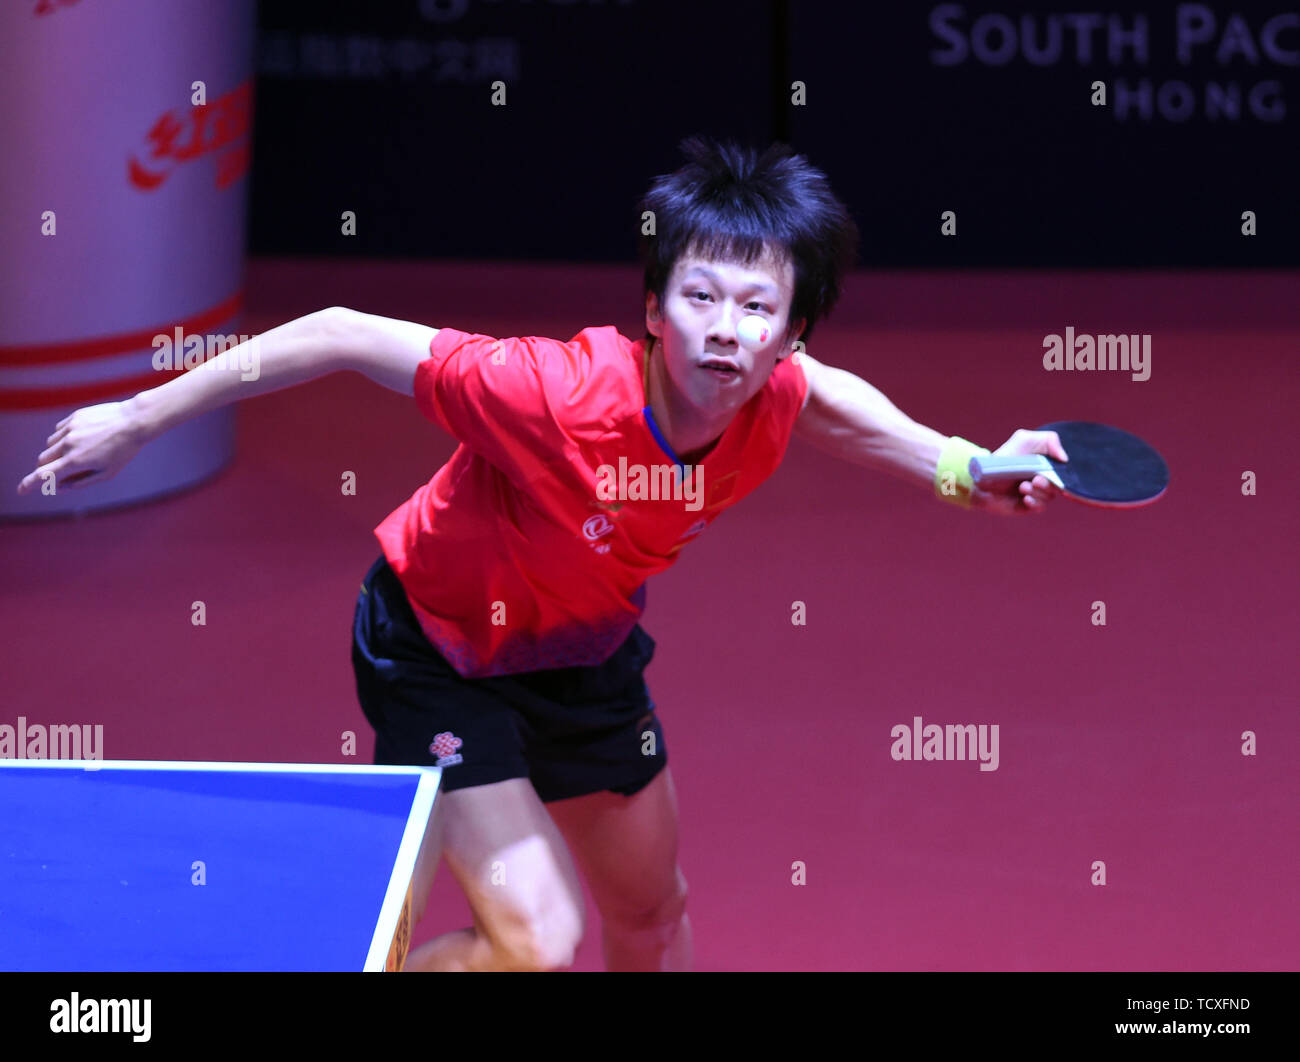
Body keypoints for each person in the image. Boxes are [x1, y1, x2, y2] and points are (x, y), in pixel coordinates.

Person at [16, 137, 1065, 972]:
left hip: (584, 652)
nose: (725, 331)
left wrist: (964, 470)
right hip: (439, 647)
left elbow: (840, 405)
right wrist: (141, 413)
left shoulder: (781, 389)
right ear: (652, 310)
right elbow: (338, 328)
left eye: (757, 310)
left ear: (789, 336)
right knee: (539, 944)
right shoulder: (545, 392)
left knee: (653, 913)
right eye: (699, 297)